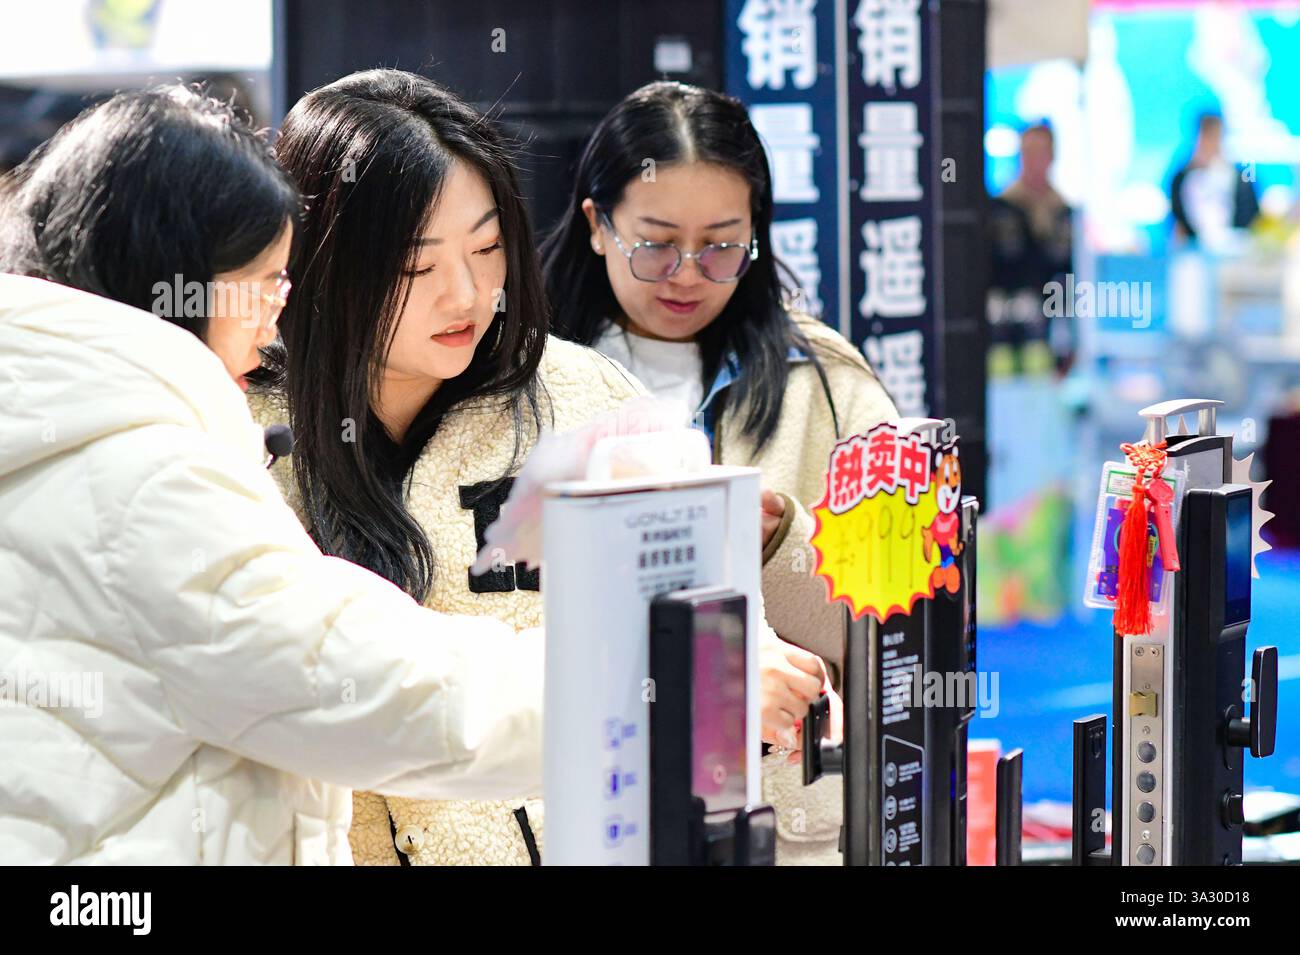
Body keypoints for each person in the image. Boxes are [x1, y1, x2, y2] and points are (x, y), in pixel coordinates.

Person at [255, 69, 834, 865]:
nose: (468, 293)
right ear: (322, 262)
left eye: (488, 247)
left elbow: (725, 633)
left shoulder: (585, 400)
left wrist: (733, 669)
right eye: (417, 268)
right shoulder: (236, 431)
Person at [0, 85, 546, 865]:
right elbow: (367, 683)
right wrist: (640, 679)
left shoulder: (54, 419)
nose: (278, 310)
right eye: (264, 281)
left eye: (487, 250)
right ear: (174, 278)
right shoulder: (143, 478)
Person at [541, 80, 897, 864]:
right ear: (597, 225)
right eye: (657, 242)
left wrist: (783, 543)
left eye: (723, 245)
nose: (688, 273)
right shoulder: (524, 384)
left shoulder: (829, 384)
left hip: (784, 829)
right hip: (585, 813)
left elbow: (900, 627)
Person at [1169, 112, 1259, 251]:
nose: (1211, 142)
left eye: (1215, 136)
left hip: (1234, 252)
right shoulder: (1182, 177)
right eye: (1207, 136)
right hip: (1196, 252)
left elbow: (1251, 213)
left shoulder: (1242, 175)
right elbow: (1178, 217)